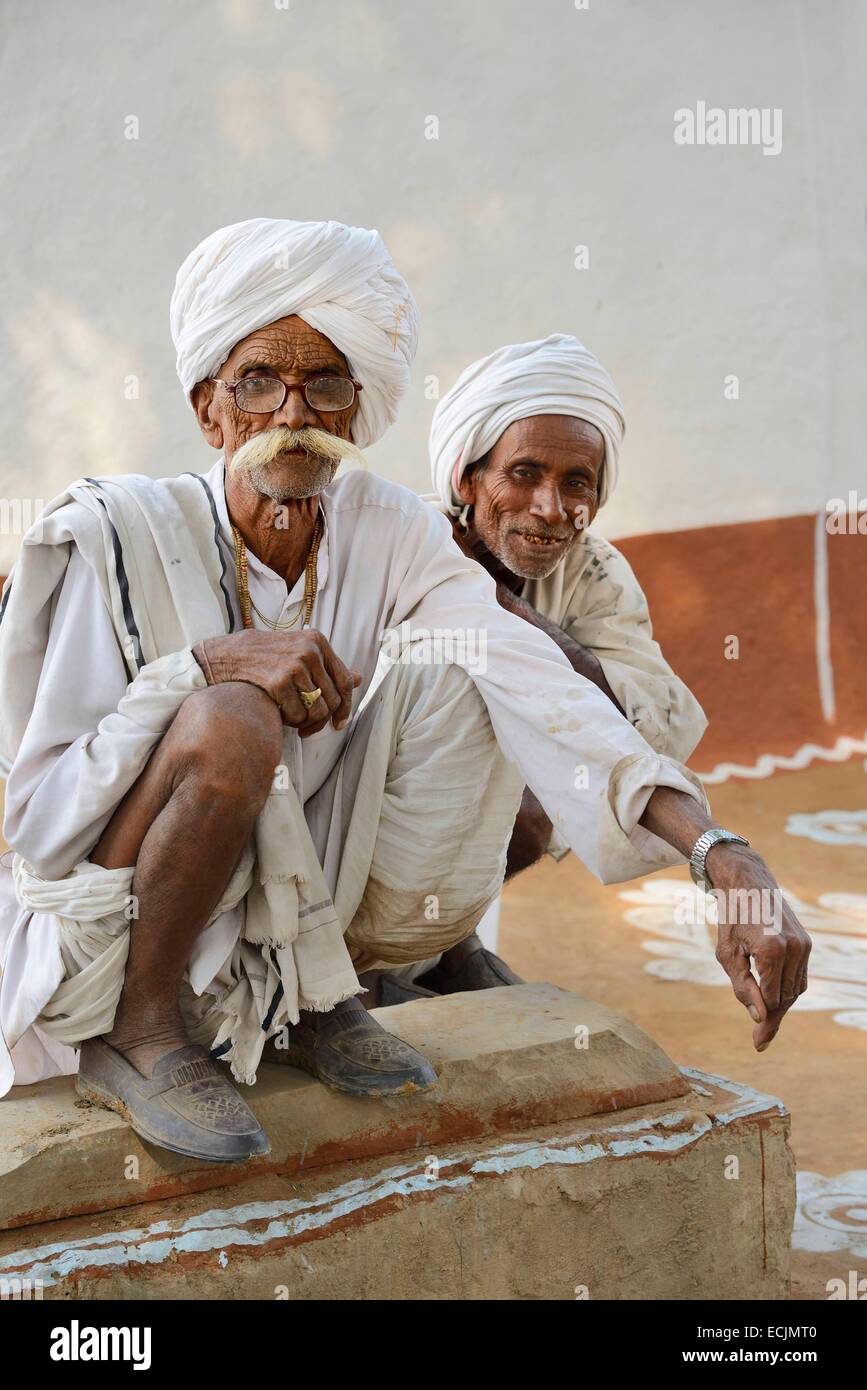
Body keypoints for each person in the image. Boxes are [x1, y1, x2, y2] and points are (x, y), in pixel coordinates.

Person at [0, 220, 810, 1164]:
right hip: (119, 899)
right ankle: (139, 1037)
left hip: (303, 897)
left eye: (326, 384)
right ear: (209, 411)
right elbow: (42, 822)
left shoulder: (386, 530)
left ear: (358, 411)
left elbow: (531, 675)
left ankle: (319, 991)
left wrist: (717, 851)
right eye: (257, 382)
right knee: (233, 718)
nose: (291, 410)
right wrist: (205, 669)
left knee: (468, 665)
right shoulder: (122, 535)